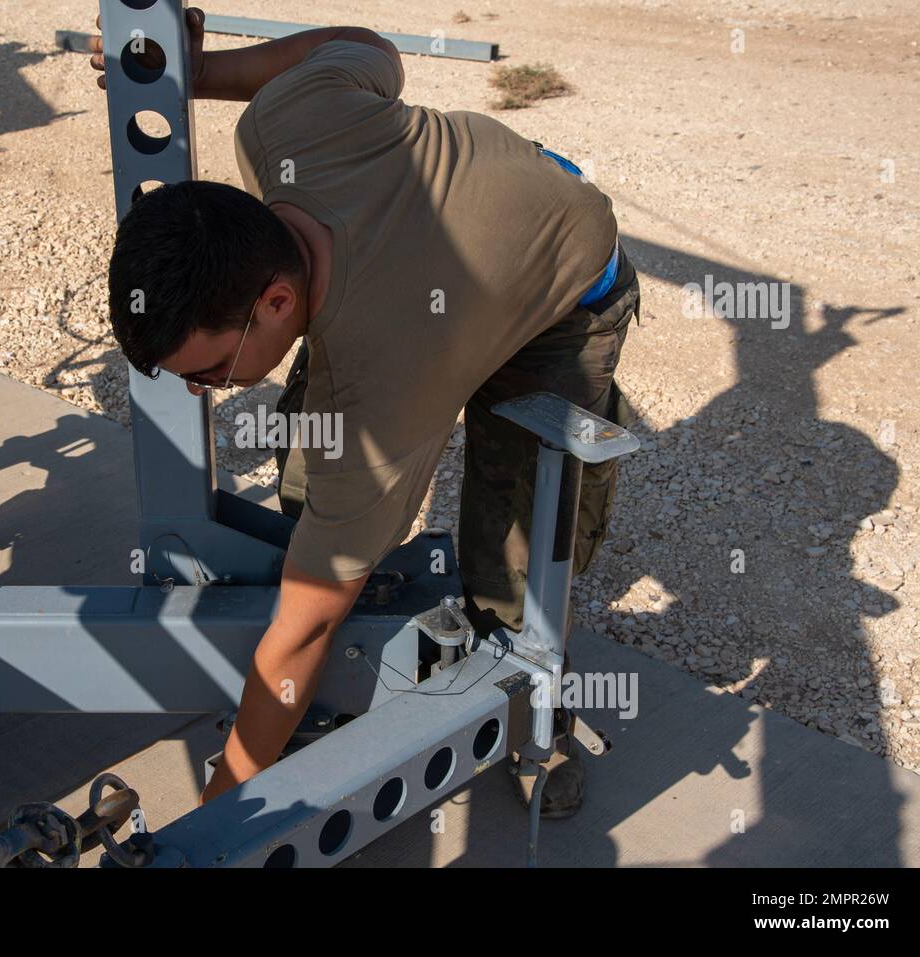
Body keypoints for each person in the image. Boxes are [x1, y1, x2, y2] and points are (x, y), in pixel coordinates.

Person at [90, 9, 638, 817]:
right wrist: (201, 76)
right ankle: (368, 601)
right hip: (437, 276)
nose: (203, 389)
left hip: (560, 297)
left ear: (276, 298)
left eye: (207, 369)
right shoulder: (281, 123)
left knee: (514, 552)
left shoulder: (379, 388)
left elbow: (302, 629)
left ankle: (529, 708)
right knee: (317, 496)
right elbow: (370, 51)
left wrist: (220, 809)